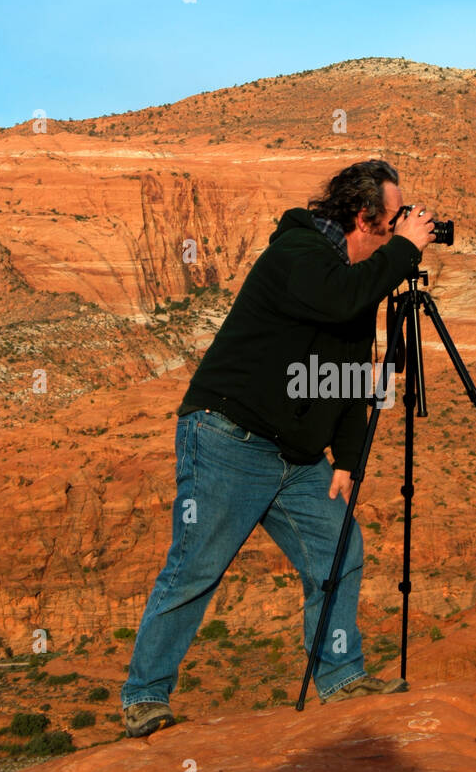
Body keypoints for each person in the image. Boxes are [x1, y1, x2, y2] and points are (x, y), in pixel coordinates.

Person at [121, 159, 437, 737]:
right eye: (395, 224)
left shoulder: (356, 278)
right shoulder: (297, 255)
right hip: (228, 439)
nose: (402, 233)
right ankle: (145, 696)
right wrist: (406, 254)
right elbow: (340, 300)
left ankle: (341, 678)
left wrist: (346, 460)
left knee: (340, 552)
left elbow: (349, 374)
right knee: (195, 568)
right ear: (364, 219)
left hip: (296, 458)